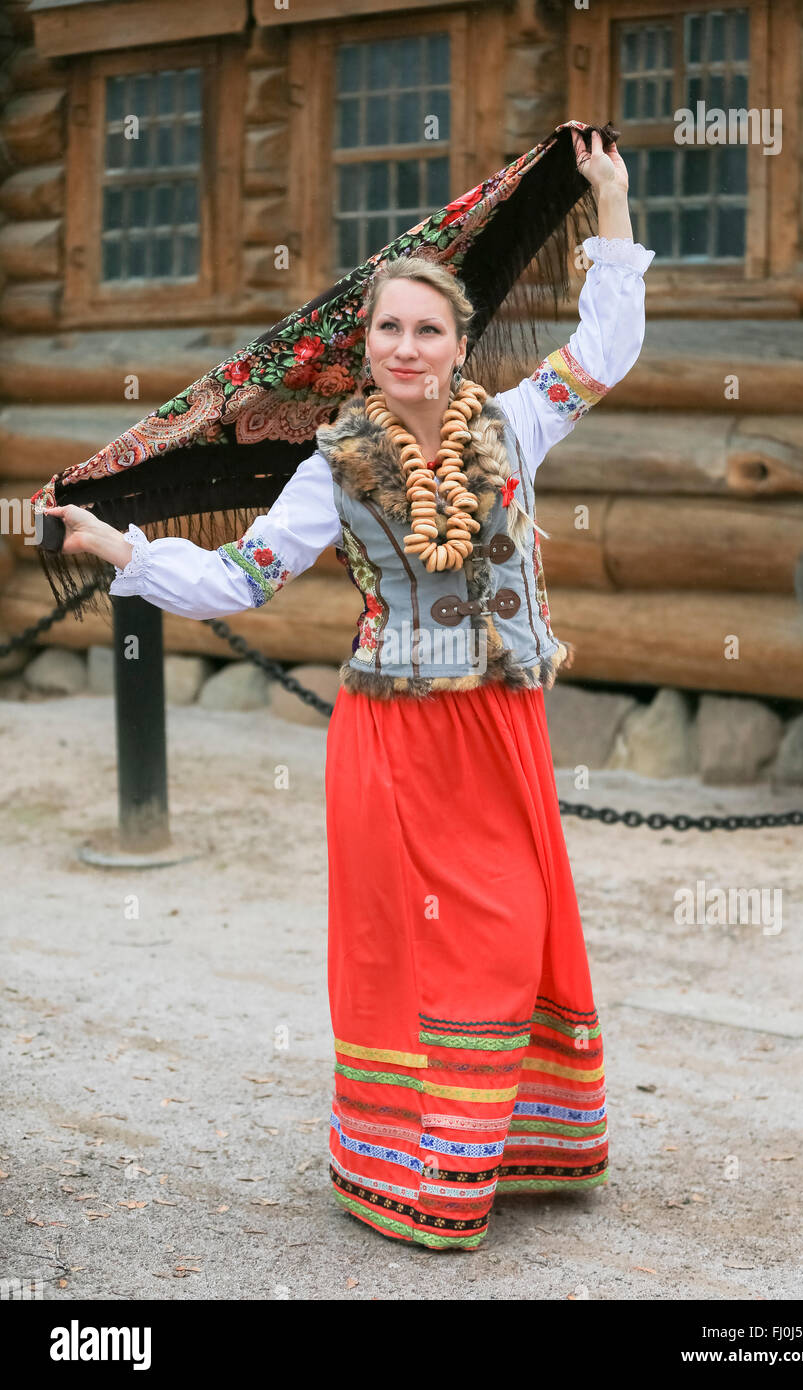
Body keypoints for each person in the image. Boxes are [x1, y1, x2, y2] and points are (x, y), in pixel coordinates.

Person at [43, 127, 655, 1250]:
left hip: (500, 725)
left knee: (512, 923)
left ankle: (513, 1139)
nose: (407, 348)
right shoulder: (331, 465)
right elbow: (240, 578)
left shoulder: (515, 427)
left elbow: (603, 349)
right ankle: (417, 1166)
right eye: (388, 330)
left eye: (428, 329)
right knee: (418, 943)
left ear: (461, 339)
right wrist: (121, 550)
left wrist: (609, 200)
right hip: (395, 738)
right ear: (362, 345)